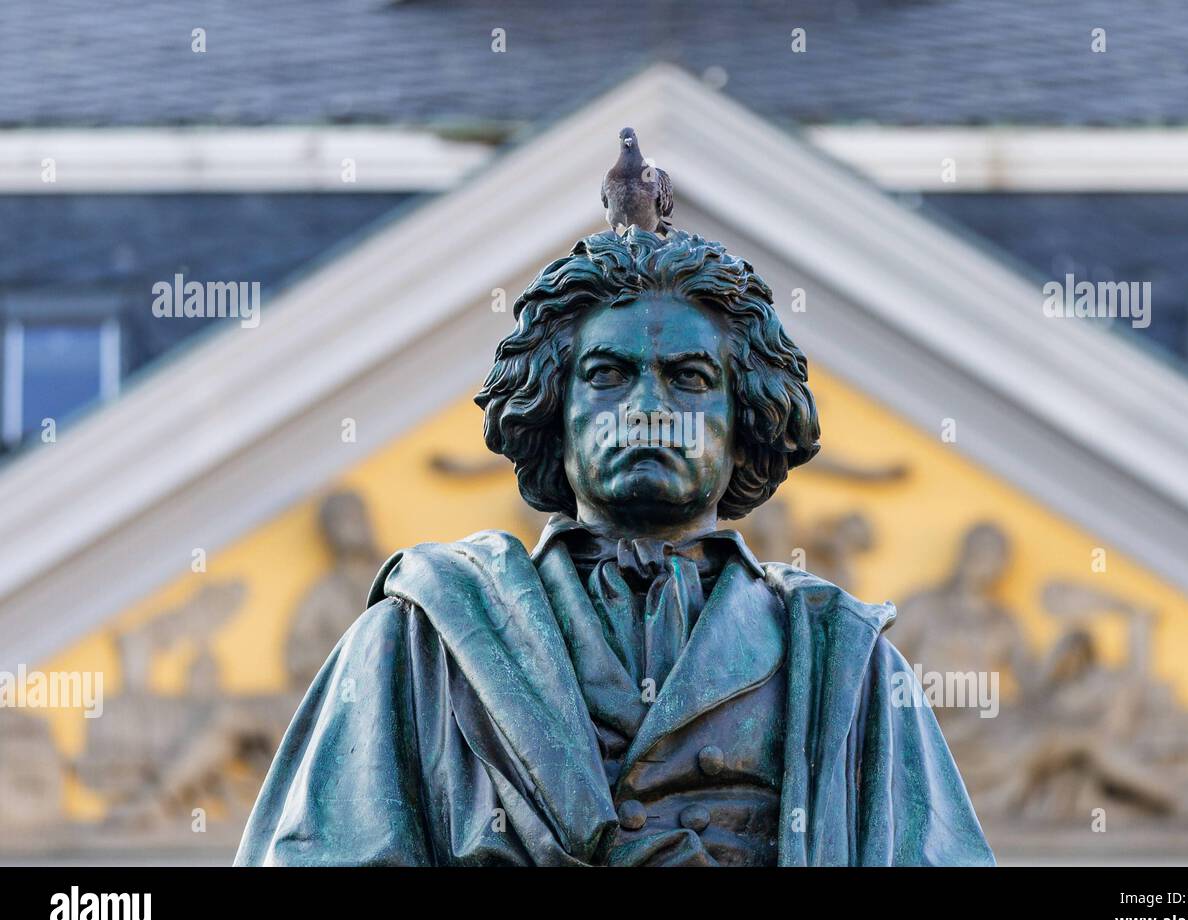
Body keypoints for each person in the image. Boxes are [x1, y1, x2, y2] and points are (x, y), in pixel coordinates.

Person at [235, 228, 993, 866]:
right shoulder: (418, 644)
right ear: (554, 411)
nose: (649, 409)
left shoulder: (845, 668)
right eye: (607, 375)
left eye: (689, 378)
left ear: (747, 422)